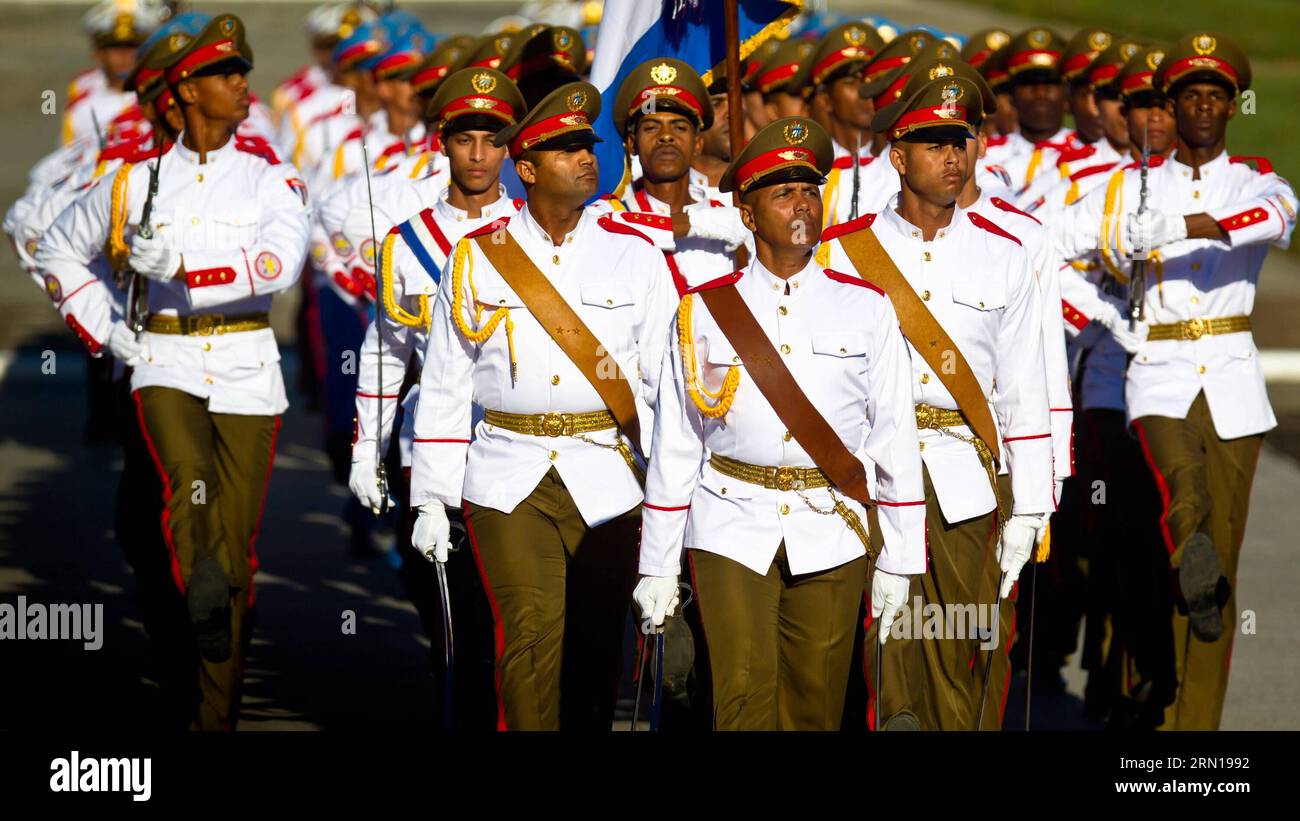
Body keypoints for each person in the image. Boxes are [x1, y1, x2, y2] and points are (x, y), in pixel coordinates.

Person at [37, 14, 310, 730]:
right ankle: (198, 583)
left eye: (241, 71)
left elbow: (282, 266)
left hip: (247, 362)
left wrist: (188, 270)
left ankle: (213, 713)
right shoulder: (132, 183)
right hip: (164, 360)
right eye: (226, 75)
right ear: (185, 91)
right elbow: (57, 249)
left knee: (237, 554)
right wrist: (110, 333)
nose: (243, 85)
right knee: (187, 493)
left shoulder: (270, 177)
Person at [633, 115, 926, 730]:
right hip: (729, 519)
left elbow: (893, 439)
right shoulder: (703, 310)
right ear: (747, 214)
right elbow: (677, 447)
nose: (802, 204)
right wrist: (657, 565)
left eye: (810, 190)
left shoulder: (867, 305)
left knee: (814, 703)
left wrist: (900, 558)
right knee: (740, 693)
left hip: (833, 523)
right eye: (783, 191)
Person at [407, 82, 679, 730]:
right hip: (508, 473)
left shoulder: (635, 255)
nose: (586, 158)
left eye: (587, 146)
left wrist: (673, 504)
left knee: (593, 652)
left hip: (608, 475)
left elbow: (667, 386)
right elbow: (446, 381)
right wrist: (433, 497)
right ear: (525, 168)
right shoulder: (477, 257)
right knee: (527, 637)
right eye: (564, 149)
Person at [1051, 32, 1297, 729]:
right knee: (1176, 500)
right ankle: (1184, 556)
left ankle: (1193, 729)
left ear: (1230, 107)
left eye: (1216, 97)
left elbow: (1278, 220)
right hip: (1155, 367)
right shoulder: (1127, 187)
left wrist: (1181, 225)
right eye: (1188, 96)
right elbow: (1050, 248)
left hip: (1230, 377)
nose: (1202, 109)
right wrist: (1104, 293)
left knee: (1215, 585)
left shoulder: (1253, 179)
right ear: (1173, 105)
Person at [821, 70, 1054, 729]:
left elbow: (1023, 391)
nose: (953, 157)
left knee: (960, 641)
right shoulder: (843, 252)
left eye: (961, 142)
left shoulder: (1004, 255)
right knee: (883, 630)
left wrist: (1031, 506)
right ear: (897, 156)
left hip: (963, 466)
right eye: (934, 143)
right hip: (871, 468)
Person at [346, 66, 525, 728]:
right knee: (453, 616)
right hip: (433, 453)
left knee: (520, 621)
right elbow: (387, 350)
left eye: (492, 140)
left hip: (520, 450)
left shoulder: (538, 235)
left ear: (510, 148)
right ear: (442, 143)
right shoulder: (408, 242)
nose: (478, 156)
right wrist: (368, 449)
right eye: (465, 139)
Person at [613, 58, 746, 292]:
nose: (666, 136)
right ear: (632, 144)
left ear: (698, 144)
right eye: (652, 127)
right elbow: (610, 226)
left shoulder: (729, 214)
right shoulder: (610, 215)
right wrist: (702, 222)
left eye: (679, 127)